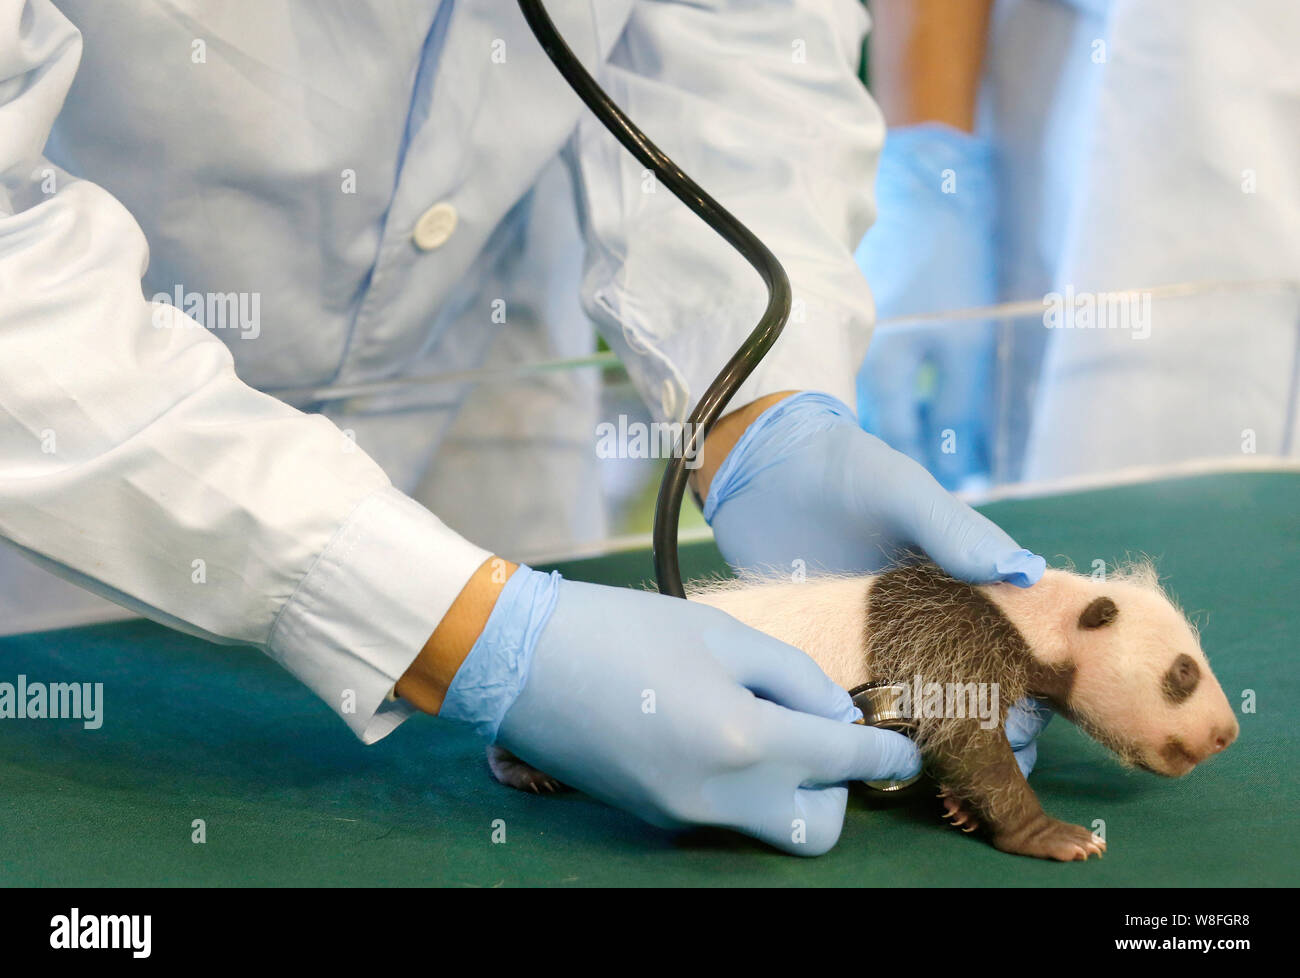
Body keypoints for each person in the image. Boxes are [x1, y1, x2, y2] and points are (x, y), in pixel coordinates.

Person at [0, 0, 1045, 855]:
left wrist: (762, 404)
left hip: (476, 356)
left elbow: (736, 37)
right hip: (71, 465)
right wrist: (484, 640)